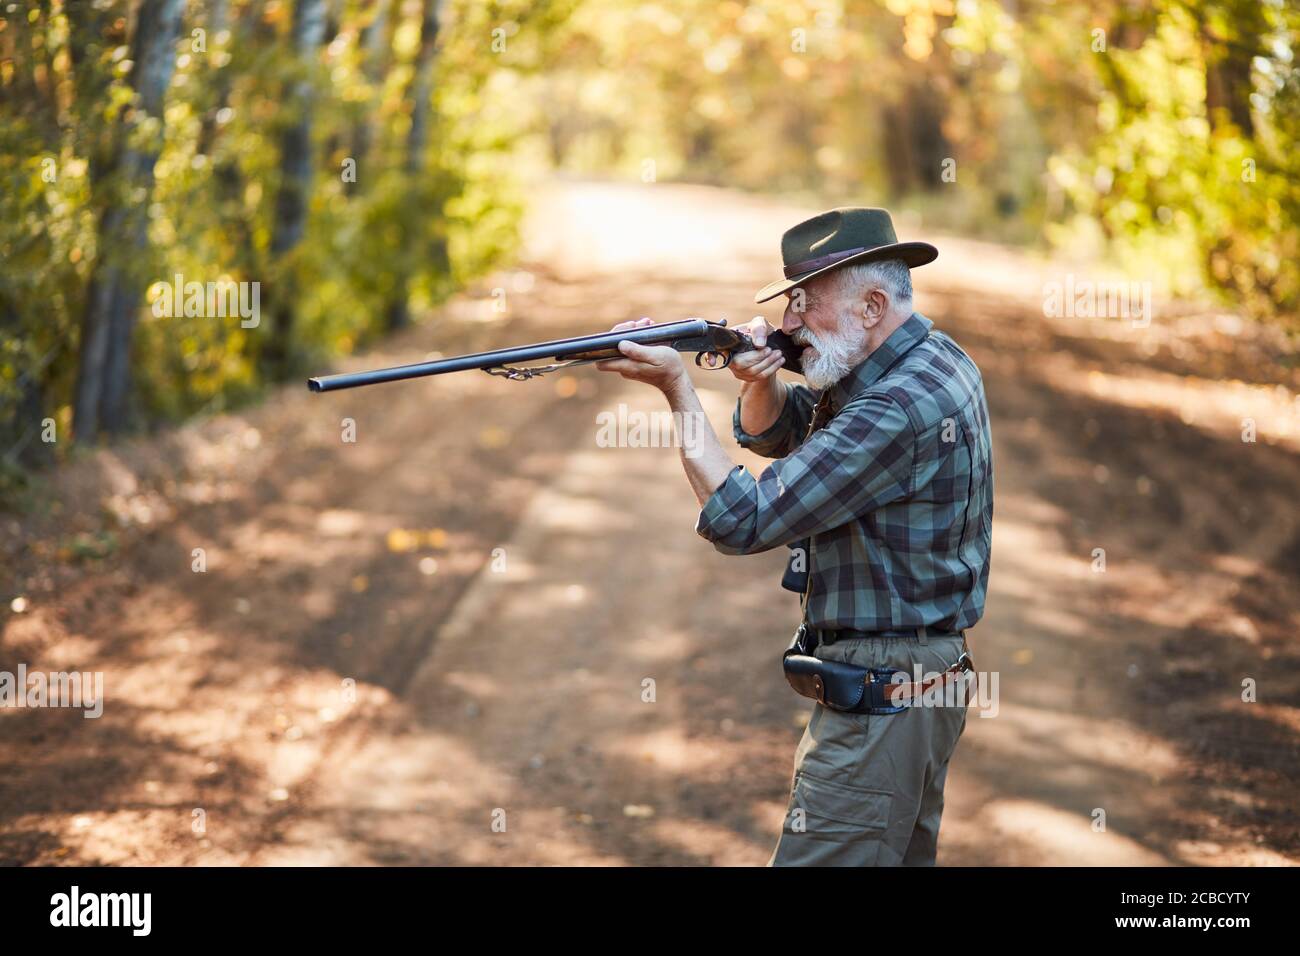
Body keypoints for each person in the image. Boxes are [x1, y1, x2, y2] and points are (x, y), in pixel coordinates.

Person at [595, 207, 994, 866]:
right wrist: (762, 381)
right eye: (788, 304)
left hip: (880, 710)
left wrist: (677, 389)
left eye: (806, 306)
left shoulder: (894, 408)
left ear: (871, 306)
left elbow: (742, 519)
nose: (787, 323)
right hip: (915, 694)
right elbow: (796, 431)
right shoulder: (927, 357)